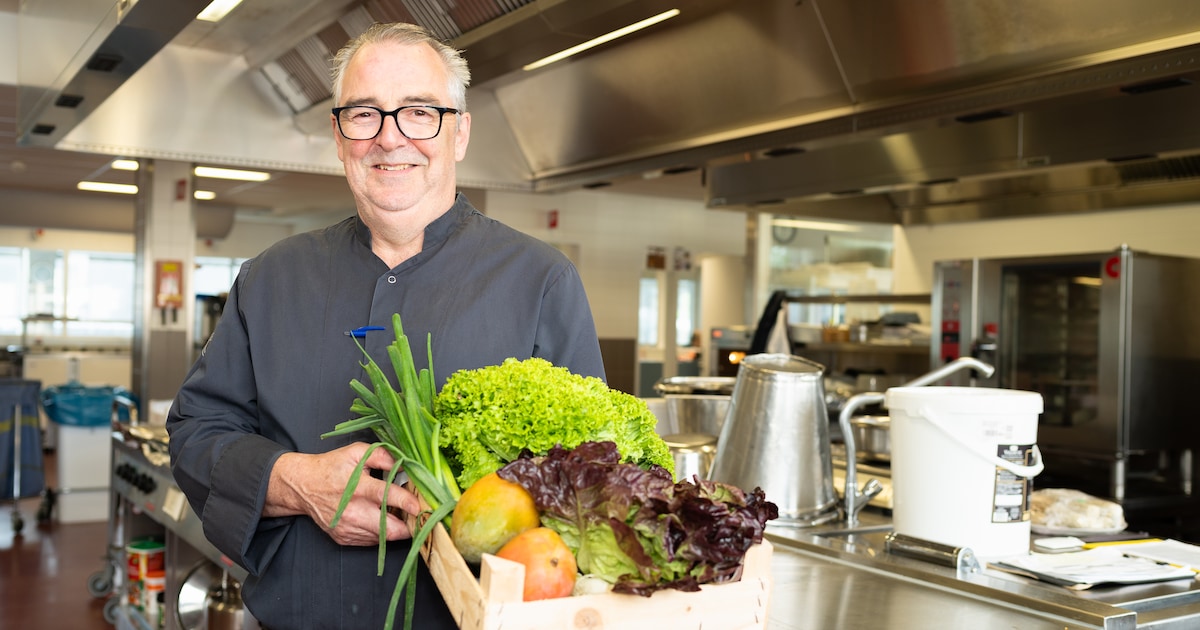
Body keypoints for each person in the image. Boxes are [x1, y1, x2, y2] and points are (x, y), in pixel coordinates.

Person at [166, 22, 605, 629]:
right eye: (364, 114)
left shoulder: (541, 281)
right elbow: (196, 431)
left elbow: (587, 479)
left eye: (420, 112)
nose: (389, 137)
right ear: (339, 135)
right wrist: (295, 480)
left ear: (459, 133)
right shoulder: (270, 278)